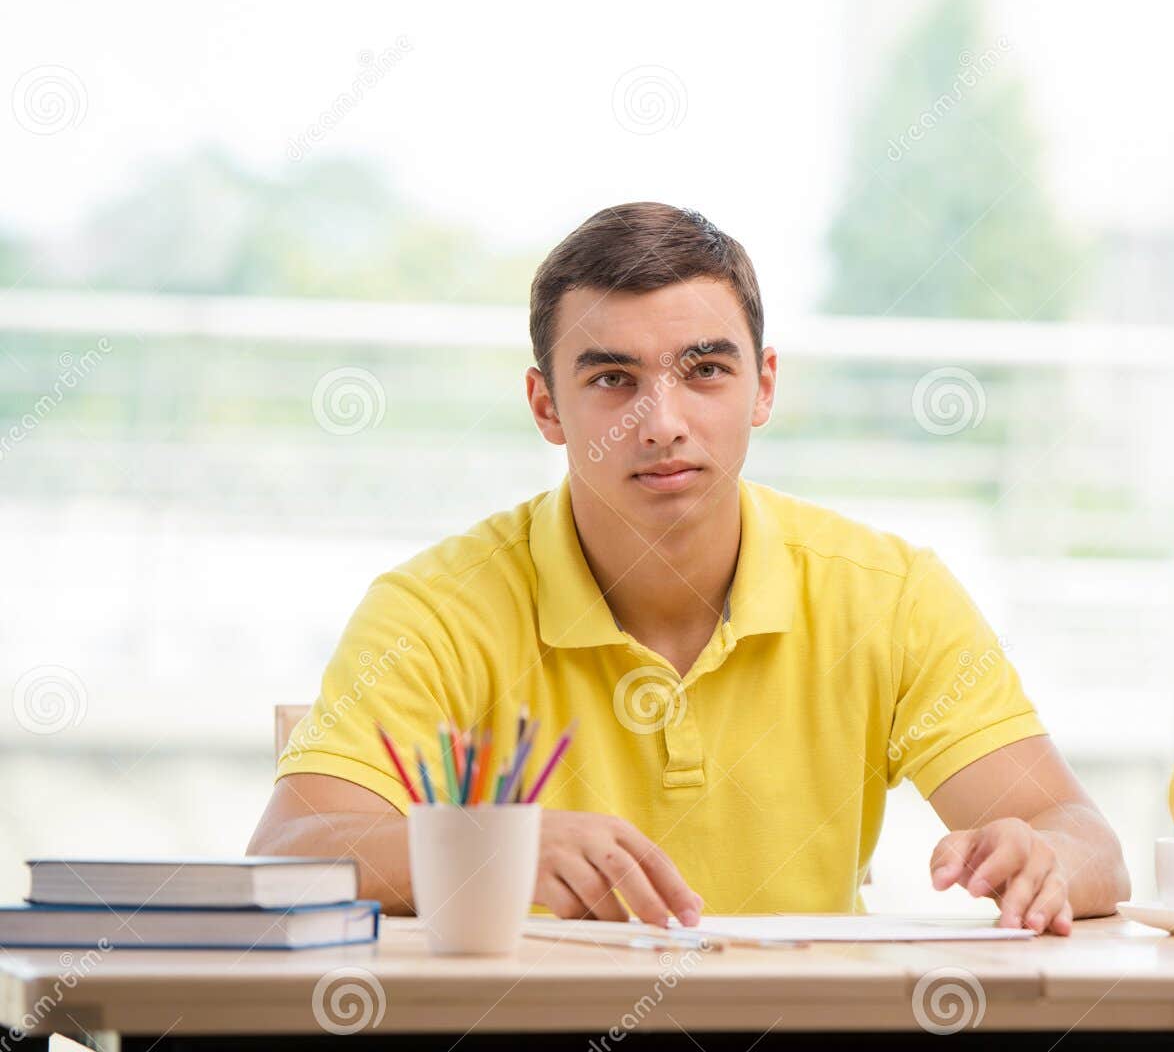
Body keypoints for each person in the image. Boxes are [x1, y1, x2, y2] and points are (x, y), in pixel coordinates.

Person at [248, 202, 1129, 934]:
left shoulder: (889, 595)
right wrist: (502, 851)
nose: (661, 421)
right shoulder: (435, 608)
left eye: (704, 370)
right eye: (613, 381)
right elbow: (288, 853)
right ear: (545, 406)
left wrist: (1044, 859)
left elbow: (1085, 837)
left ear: (764, 386)